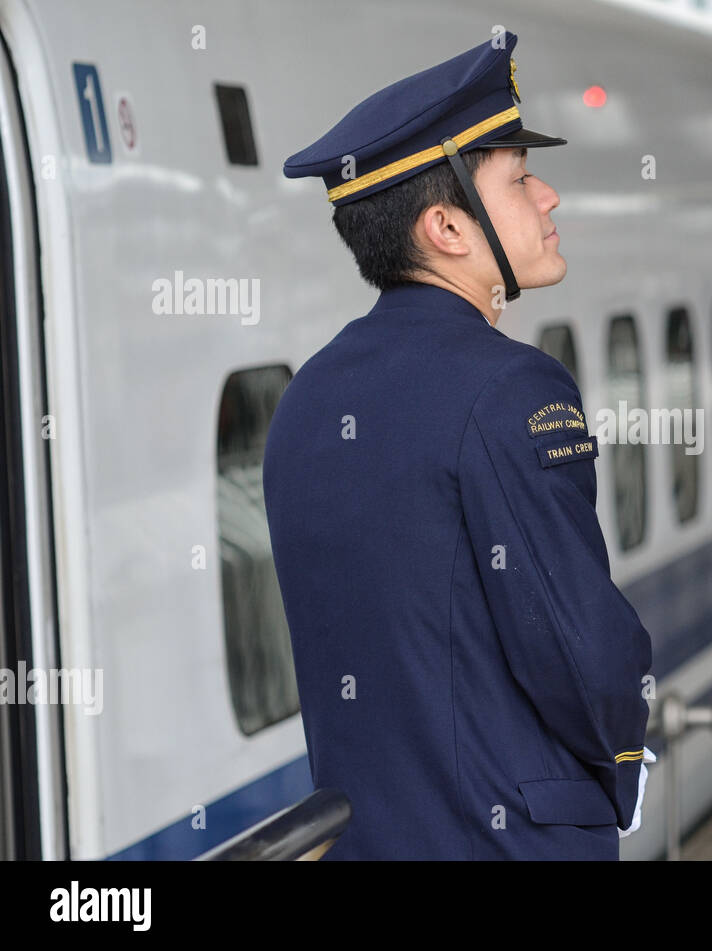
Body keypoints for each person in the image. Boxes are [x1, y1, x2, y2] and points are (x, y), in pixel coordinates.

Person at [263, 29, 654, 860]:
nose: (547, 197)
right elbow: (579, 647)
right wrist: (623, 765)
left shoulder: (306, 399)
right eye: (518, 179)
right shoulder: (513, 388)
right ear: (446, 226)